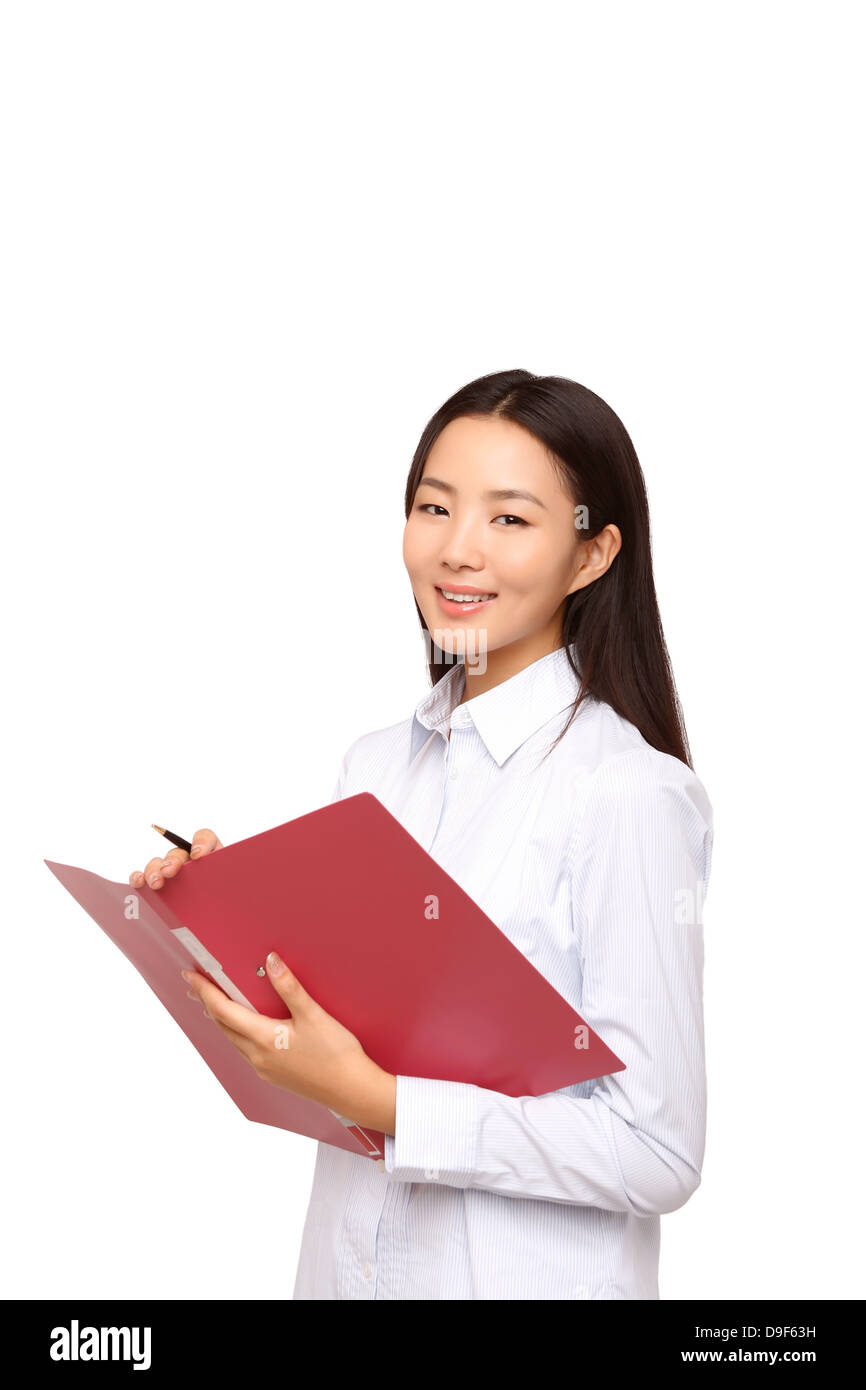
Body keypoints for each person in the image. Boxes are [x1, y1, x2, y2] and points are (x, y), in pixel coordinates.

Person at [131, 368, 713, 1300]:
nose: (458, 551)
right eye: (434, 508)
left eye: (510, 519)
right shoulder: (373, 768)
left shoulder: (627, 794)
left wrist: (393, 1108)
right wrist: (226, 931)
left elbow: (657, 1151)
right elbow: (334, 1064)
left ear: (593, 555)